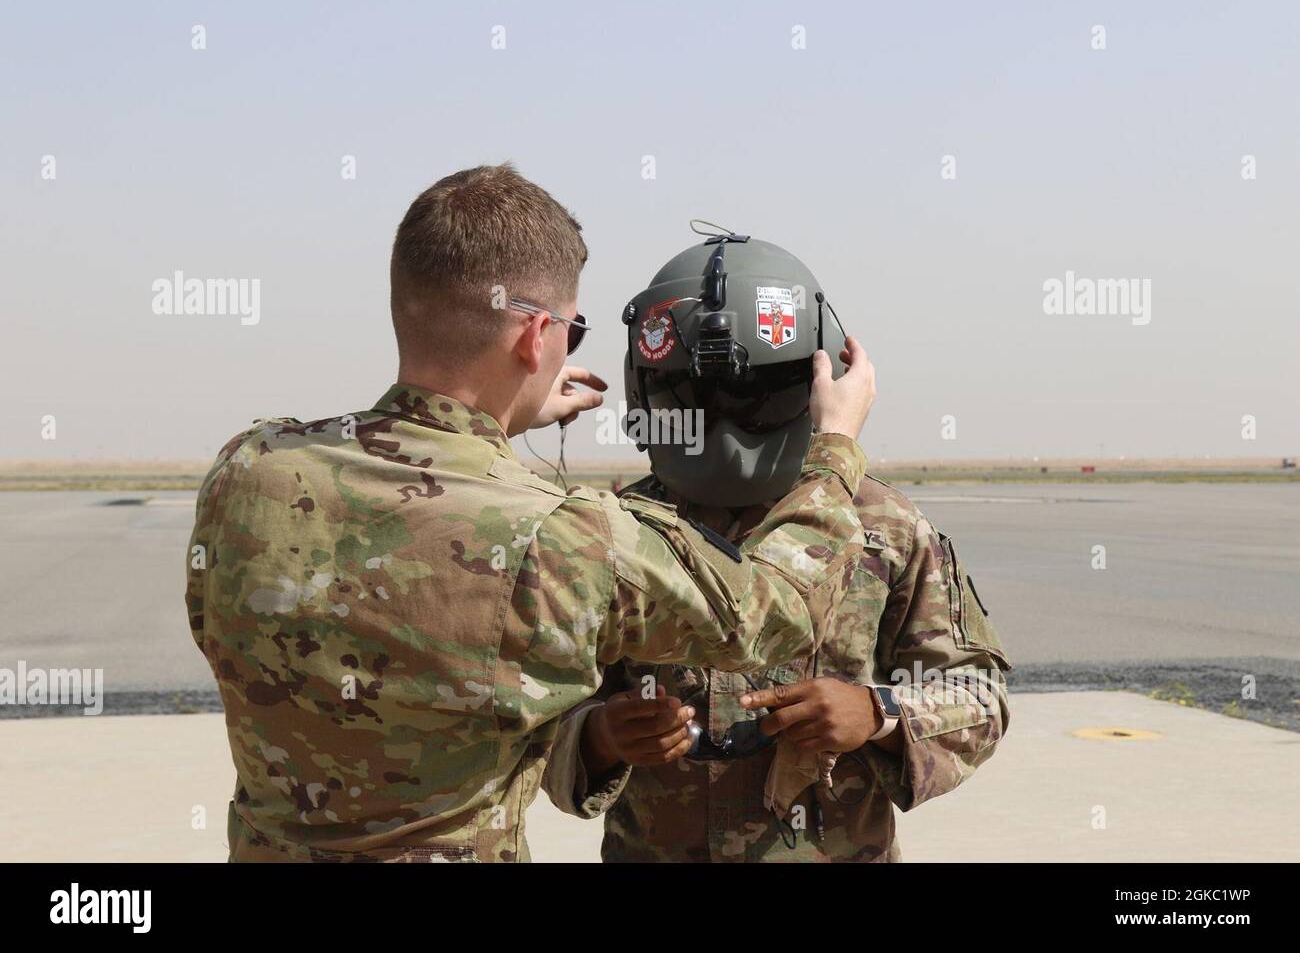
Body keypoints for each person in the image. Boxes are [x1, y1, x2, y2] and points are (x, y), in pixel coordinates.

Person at [184, 166, 878, 862]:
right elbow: (774, 612)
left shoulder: (249, 469)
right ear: (535, 335)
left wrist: (501, 413)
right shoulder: (565, 537)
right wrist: (837, 447)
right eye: (569, 333)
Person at [541, 231, 1011, 861]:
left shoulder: (883, 526)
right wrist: (598, 736)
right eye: (696, 395)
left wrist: (879, 714)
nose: (730, 424)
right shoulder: (617, 529)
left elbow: (978, 695)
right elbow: (531, 714)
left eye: (760, 393)